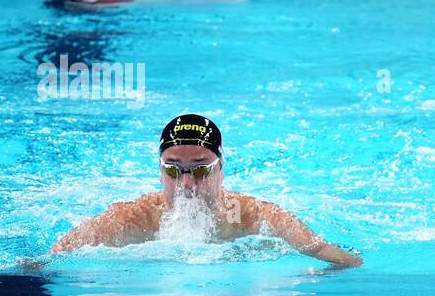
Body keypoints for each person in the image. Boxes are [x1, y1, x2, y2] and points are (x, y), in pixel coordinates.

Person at [50, 114, 362, 267]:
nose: (186, 184)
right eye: (173, 169)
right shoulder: (132, 219)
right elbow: (52, 258)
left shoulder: (257, 218)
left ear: (221, 168)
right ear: (160, 171)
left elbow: (334, 257)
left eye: (200, 169)